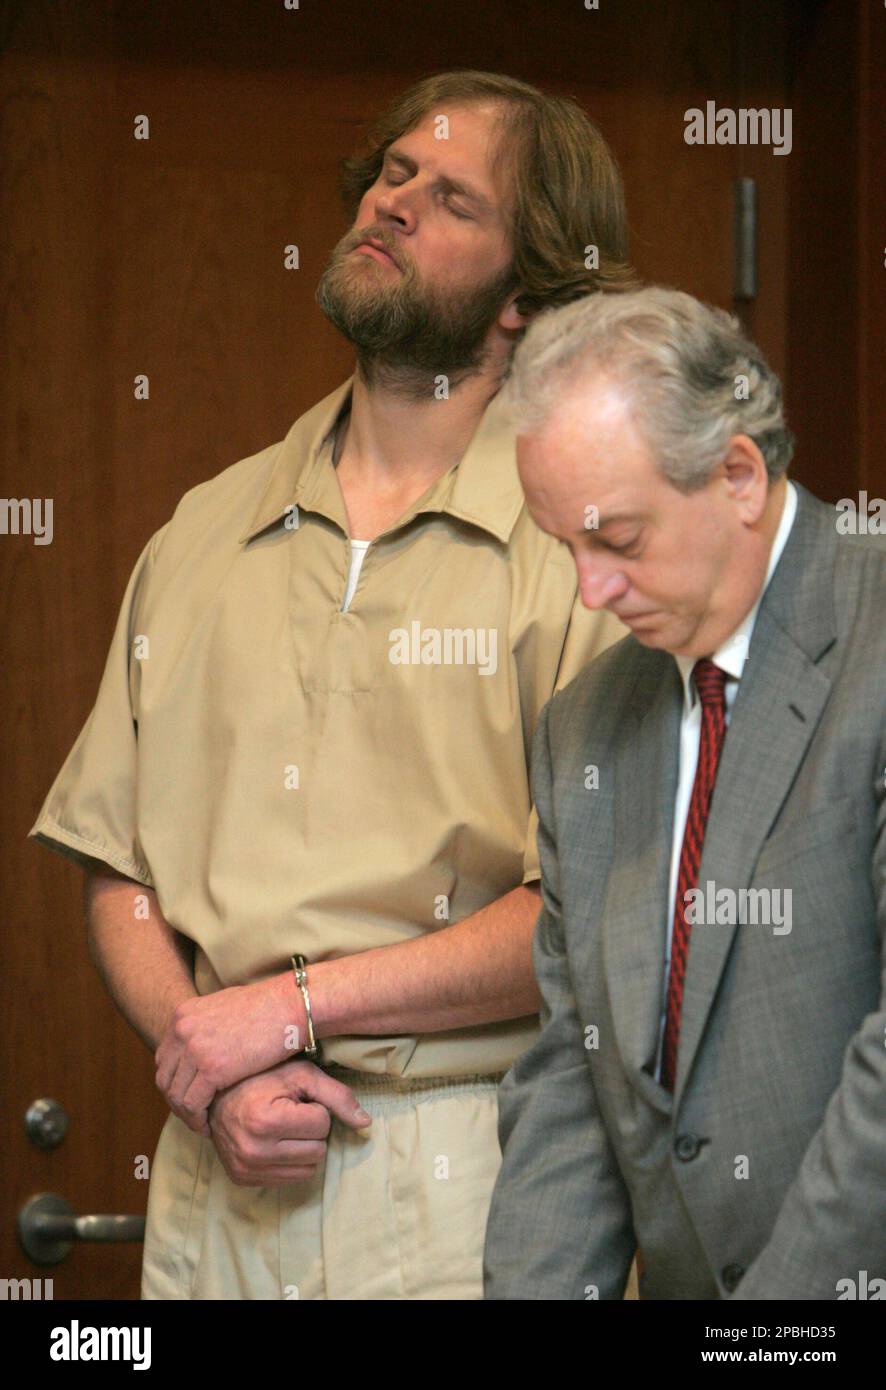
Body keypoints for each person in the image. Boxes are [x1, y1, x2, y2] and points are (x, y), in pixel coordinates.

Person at [28, 69, 633, 1300]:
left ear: (529, 293)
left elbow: (596, 910)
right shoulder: (201, 528)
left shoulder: (593, 549)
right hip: (215, 1161)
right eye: (390, 172)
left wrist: (294, 1007)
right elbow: (117, 862)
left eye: (451, 196)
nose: (393, 200)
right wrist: (211, 1050)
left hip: (466, 1165)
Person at [483, 285, 886, 1300]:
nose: (589, 591)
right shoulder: (586, 727)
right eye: (562, 544)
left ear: (738, 475)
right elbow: (574, 1082)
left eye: (616, 540)